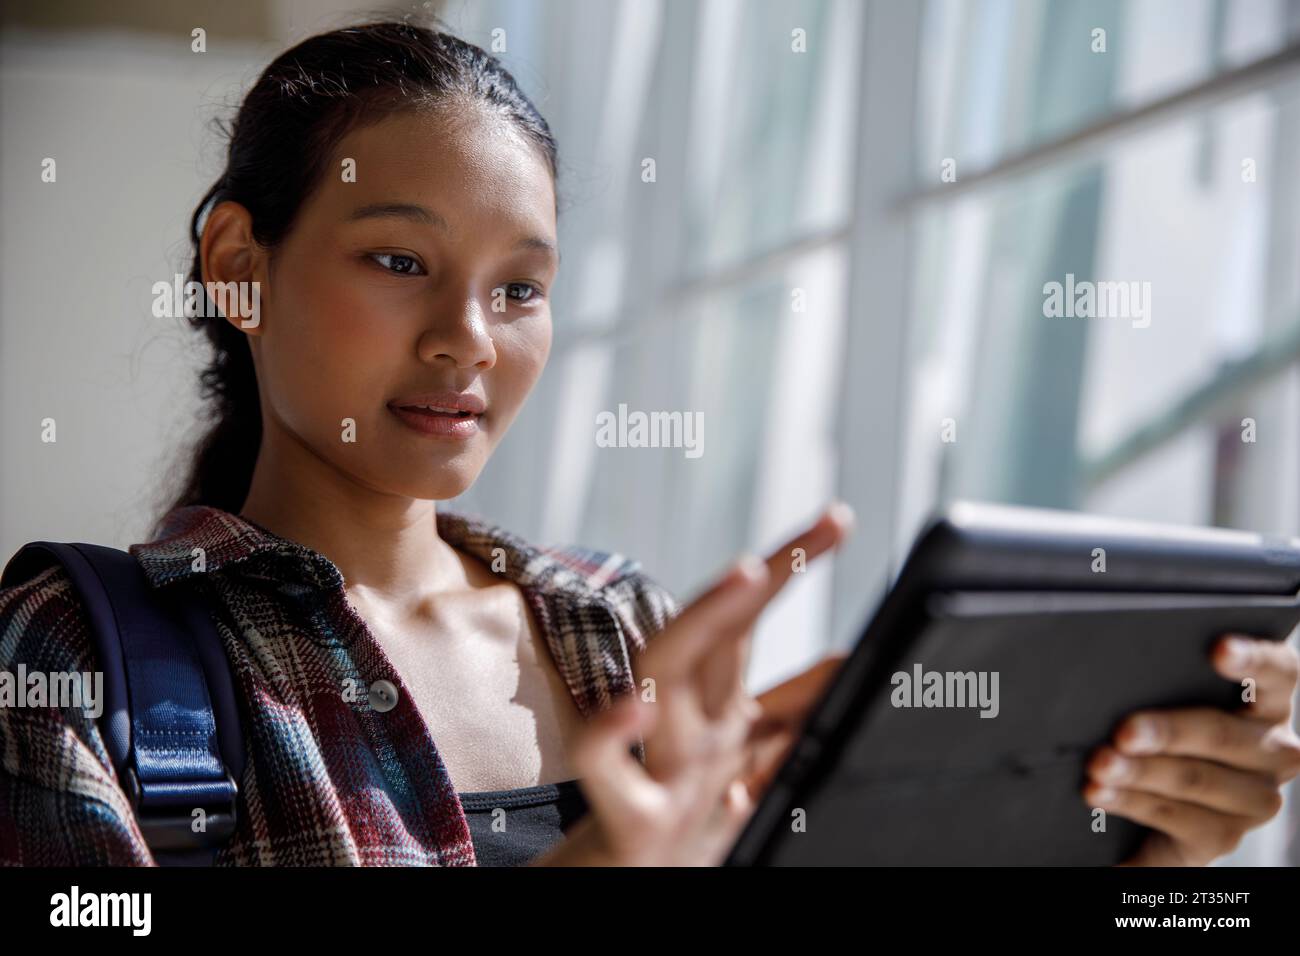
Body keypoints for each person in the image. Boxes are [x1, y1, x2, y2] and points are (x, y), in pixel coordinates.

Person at [1, 20, 1296, 867]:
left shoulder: (620, 628)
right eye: (400, 260)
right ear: (241, 266)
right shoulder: (72, 657)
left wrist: (1134, 849)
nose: (468, 342)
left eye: (521, 288)